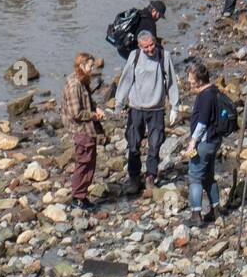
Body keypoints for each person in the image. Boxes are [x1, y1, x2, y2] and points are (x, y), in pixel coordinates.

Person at [115, 30, 179, 197]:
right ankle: (134, 178)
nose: (151, 49)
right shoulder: (134, 56)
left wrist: (175, 106)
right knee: (133, 144)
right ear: (139, 46)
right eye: (146, 47)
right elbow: (126, 79)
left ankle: (151, 176)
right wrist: (119, 102)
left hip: (156, 109)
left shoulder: (164, 56)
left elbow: (171, 81)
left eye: (152, 45)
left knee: (155, 144)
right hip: (136, 108)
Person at [59, 52, 106, 211]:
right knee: (84, 163)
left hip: (86, 129)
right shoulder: (74, 85)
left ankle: (82, 196)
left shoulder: (82, 80)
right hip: (81, 130)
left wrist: (96, 107)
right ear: (81, 66)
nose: (92, 69)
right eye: (90, 66)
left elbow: (88, 100)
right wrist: (94, 115)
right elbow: (76, 114)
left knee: (89, 162)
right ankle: (77, 198)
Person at [184, 61, 223, 227]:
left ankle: (196, 214)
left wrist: (192, 142)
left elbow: (202, 122)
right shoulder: (214, 91)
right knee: (208, 176)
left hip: (205, 142)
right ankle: (215, 210)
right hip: (214, 141)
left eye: (191, 79)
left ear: (199, 81)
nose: (189, 81)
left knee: (195, 177)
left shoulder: (205, 96)